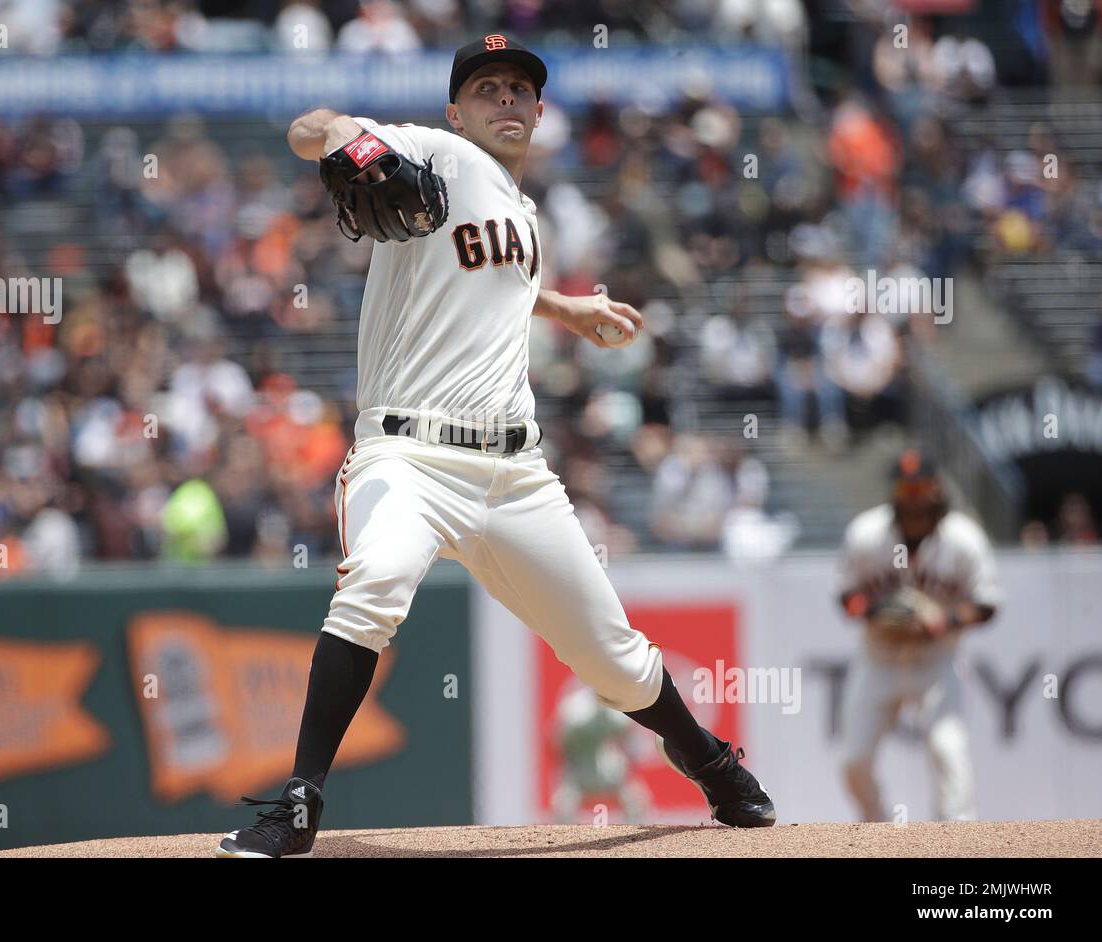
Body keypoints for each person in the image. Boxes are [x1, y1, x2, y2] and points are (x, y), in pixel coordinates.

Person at [217, 34, 775, 858]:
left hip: (515, 474)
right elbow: (314, 127)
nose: (505, 100)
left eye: (519, 90)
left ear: (540, 112)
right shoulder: (436, 153)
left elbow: (494, 282)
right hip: (407, 457)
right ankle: (300, 801)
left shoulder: (524, 211)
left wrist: (564, 307)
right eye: (487, 89)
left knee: (615, 657)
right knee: (373, 586)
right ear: (455, 110)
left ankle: (706, 757)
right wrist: (348, 139)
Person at [836, 450, 1001, 823]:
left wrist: (950, 618)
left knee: (949, 750)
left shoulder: (963, 538)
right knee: (853, 761)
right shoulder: (868, 533)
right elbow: (846, 596)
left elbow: (987, 602)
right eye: (905, 485)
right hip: (879, 659)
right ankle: (876, 828)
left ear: (935, 487)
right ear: (895, 490)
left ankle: (956, 841)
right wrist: (874, 612)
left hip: (936, 660)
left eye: (920, 485)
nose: (913, 493)